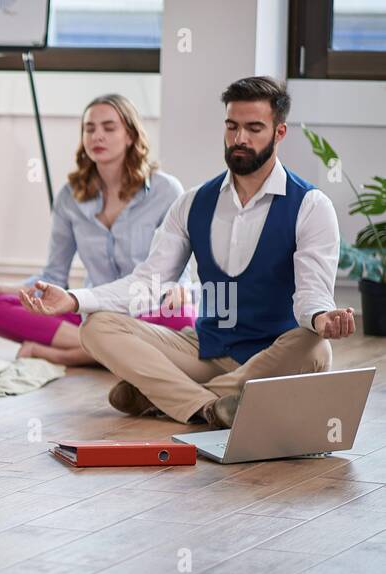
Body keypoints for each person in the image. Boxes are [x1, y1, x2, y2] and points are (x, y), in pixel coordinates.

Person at [21, 76, 356, 427]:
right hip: (206, 348)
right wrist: (74, 300)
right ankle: (209, 407)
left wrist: (322, 317)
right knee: (96, 326)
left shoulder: (311, 205)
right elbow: (147, 283)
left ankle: (162, 397)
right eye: (232, 126)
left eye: (254, 128)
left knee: (316, 348)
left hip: (273, 353)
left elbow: (312, 296)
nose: (240, 139)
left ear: (280, 133)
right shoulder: (193, 202)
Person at [0, 94, 193, 366]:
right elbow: (54, 275)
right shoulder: (70, 197)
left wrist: (179, 288)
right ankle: (105, 349)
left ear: (130, 135)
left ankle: (67, 355)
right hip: (92, 312)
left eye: (108, 127)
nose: (97, 136)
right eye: (89, 129)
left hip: (148, 310)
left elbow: (177, 269)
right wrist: (0, 287)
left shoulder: (166, 190)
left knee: (184, 319)